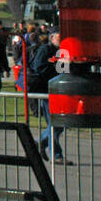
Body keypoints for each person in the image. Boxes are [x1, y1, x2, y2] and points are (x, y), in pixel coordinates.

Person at [27, 32, 66, 162]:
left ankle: (40, 142)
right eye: (60, 37)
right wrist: (54, 66)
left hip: (59, 90)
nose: (62, 40)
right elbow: (39, 67)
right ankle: (56, 155)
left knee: (60, 123)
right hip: (46, 89)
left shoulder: (63, 51)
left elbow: (64, 71)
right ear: (52, 37)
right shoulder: (45, 49)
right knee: (54, 122)